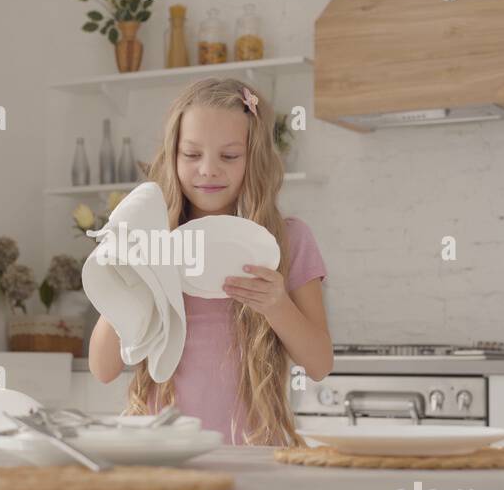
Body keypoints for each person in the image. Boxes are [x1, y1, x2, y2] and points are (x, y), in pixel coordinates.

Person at [88, 77, 332, 446]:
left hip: (253, 453)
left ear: (255, 159)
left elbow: (319, 365)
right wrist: (133, 271)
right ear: (173, 156)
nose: (208, 169)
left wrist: (276, 305)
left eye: (230, 156)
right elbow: (103, 369)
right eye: (192, 154)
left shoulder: (289, 240)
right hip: (164, 453)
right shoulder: (153, 242)